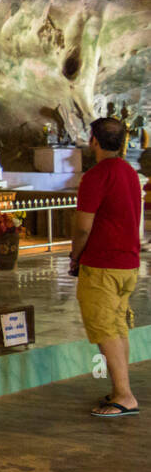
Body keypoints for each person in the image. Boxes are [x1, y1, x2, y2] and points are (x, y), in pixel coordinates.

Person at [70, 117, 143, 416]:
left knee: (106, 330)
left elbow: (83, 227)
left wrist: (75, 255)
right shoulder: (130, 173)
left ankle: (125, 396)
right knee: (118, 327)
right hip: (128, 264)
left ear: (94, 141)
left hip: (102, 264)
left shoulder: (96, 176)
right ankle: (119, 390)